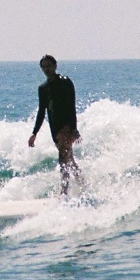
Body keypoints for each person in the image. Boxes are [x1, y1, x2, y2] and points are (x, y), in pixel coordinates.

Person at [28, 54, 84, 196]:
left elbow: (72, 107)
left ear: (55, 66)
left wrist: (74, 129)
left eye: (49, 66)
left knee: (62, 159)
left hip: (66, 125)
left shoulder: (66, 82)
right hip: (55, 128)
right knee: (69, 160)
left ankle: (64, 191)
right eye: (44, 67)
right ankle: (83, 185)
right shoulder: (43, 88)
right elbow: (42, 111)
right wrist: (35, 133)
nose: (47, 69)